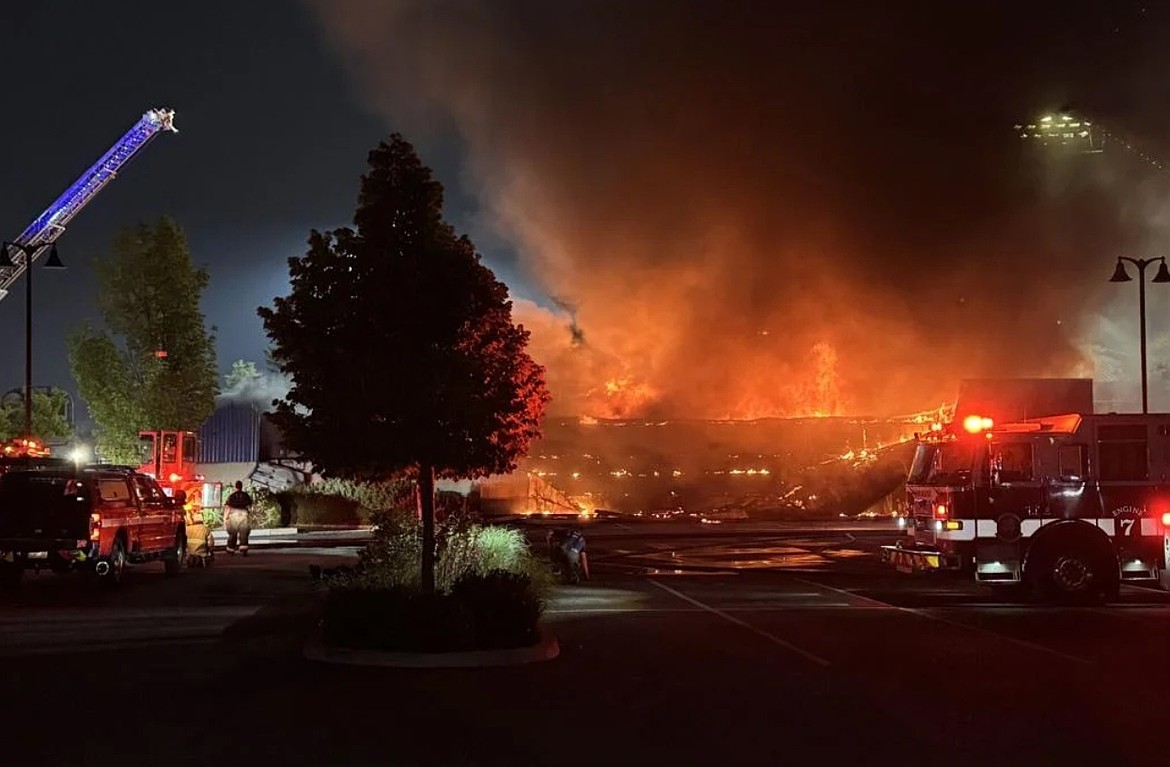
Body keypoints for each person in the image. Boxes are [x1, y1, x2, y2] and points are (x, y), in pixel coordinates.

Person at [223, 481, 253, 556]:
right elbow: (250, 508)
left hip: (233, 515)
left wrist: (225, 518)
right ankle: (243, 549)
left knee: (233, 533)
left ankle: (231, 549)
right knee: (244, 533)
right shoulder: (246, 495)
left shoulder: (231, 496)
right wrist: (250, 516)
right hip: (243, 514)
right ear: (241, 486)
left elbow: (228, 507)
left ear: (235, 487)